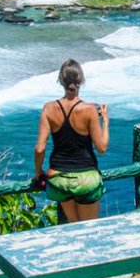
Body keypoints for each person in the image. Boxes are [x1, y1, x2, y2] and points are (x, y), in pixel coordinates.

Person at [33, 59, 109, 222]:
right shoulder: (89, 110)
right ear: (81, 81)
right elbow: (102, 148)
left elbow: (40, 148)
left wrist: (38, 172)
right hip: (86, 178)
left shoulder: (48, 108)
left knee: (73, 227)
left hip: (59, 178)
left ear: (60, 81)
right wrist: (106, 122)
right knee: (89, 230)